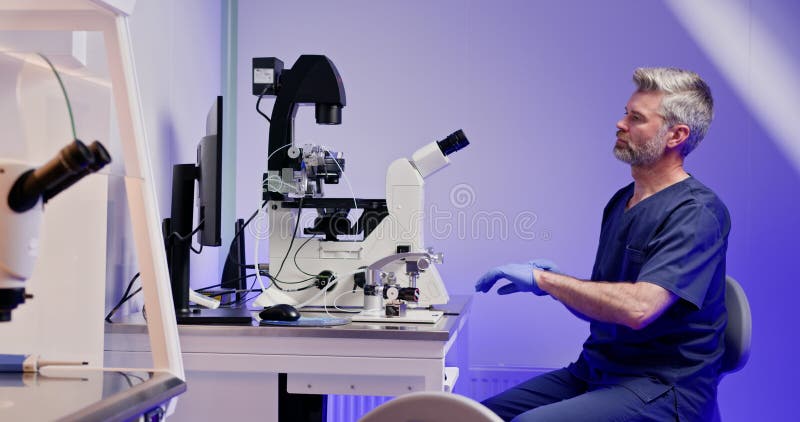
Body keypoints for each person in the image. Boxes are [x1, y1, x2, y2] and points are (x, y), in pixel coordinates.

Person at [475, 67, 730, 422]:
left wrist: (547, 280)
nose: (620, 123)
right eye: (626, 112)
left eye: (636, 118)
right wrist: (561, 288)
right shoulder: (622, 201)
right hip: (596, 372)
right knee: (475, 416)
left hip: (663, 387)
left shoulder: (697, 213)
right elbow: (608, 308)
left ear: (676, 135)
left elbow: (638, 310)